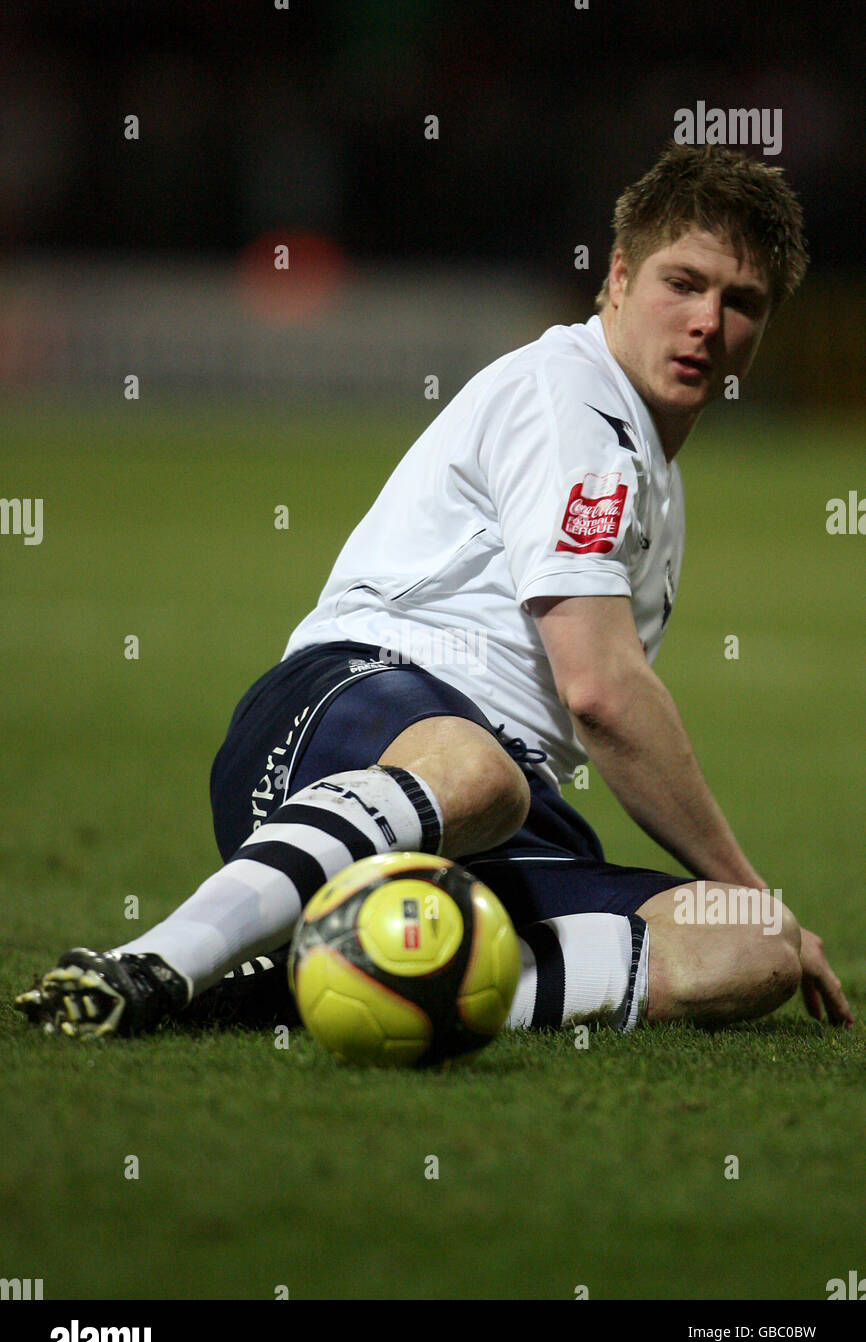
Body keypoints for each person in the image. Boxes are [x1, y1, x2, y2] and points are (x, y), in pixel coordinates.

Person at [16, 142, 852, 1040]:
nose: (706, 322)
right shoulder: (574, 401)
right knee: (486, 774)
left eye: (741, 303)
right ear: (616, 278)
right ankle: (153, 965)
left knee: (751, 948)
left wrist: (750, 911)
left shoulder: (650, 464)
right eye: (682, 283)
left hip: (502, 813)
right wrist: (741, 880)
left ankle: (303, 988)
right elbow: (602, 693)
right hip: (345, 722)